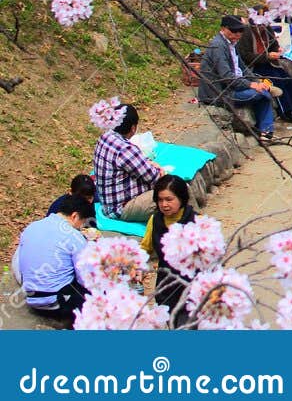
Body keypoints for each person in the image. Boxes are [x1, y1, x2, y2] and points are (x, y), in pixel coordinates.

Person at [12, 196, 95, 322]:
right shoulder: (74, 236)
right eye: (82, 223)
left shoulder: (32, 227)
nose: (80, 228)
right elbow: (85, 279)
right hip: (57, 303)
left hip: (31, 298)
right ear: (74, 216)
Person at [197, 16, 277, 143]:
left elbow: (242, 68)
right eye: (234, 31)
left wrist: (257, 82)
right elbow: (226, 76)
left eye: (241, 31)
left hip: (233, 86)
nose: (238, 34)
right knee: (262, 94)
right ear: (223, 29)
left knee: (263, 91)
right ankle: (266, 131)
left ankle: (265, 131)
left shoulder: (232, 44)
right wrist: (251, 85)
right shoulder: (218, 46)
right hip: (219, 92)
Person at [93, 103, 164, 222]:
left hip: (108, 203)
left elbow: (137, 163)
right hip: (120, 209)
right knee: (175, 193)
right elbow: (154, 177)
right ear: (133, 128)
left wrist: (150, 163)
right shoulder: (125, 149)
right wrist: (159, 169)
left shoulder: (105, 137)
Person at [142, 175, 197, 314]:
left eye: (169, 199)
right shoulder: (155, 220)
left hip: (192, 288)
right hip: (166, 287)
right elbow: (144, 249)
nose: (164, 204)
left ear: (181, 198)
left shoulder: (197, 222)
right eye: (160, 200)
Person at [242, 22, 292, 126]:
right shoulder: (246, 33)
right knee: (276, 81)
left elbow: (274, 44)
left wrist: (277, 50)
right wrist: (266, 56)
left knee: (287, 79)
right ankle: (287, 111)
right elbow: (246, 56)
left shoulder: (267, 29)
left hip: (270, 63)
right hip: (255, 67)